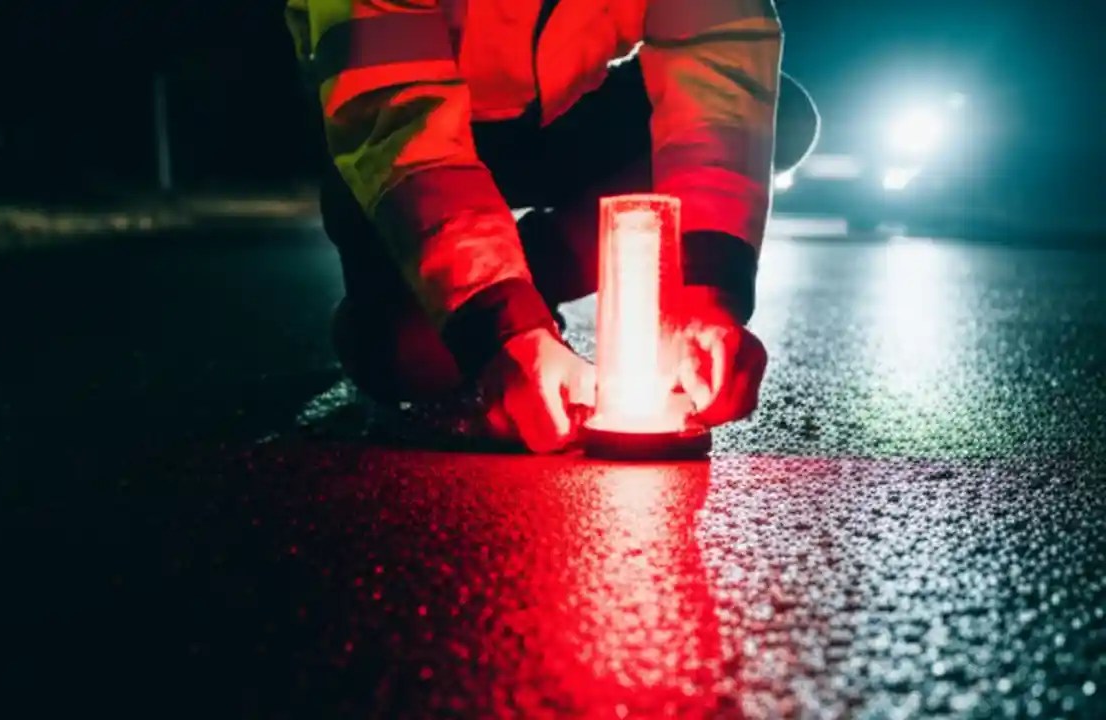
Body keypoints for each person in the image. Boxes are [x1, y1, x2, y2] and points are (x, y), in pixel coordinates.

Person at [285, 0, 820, 453]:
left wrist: (707, 295)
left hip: (564, 111)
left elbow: (717, 51)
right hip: (397, 134)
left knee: (783, 115)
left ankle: (532, 284)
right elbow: (394, 109)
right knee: (414, 357)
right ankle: (444, 317)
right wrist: (497, 321)